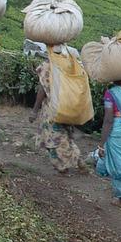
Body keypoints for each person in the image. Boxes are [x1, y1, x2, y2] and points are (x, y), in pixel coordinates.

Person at [30, 45, 84, 174]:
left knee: (53, 139)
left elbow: (42, 89)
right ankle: (78, 160)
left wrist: (34, 110)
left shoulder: (48, 66)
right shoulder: (72, 66)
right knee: (66, 135)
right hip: (69, 106)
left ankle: (63, 167)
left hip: (52, 109)